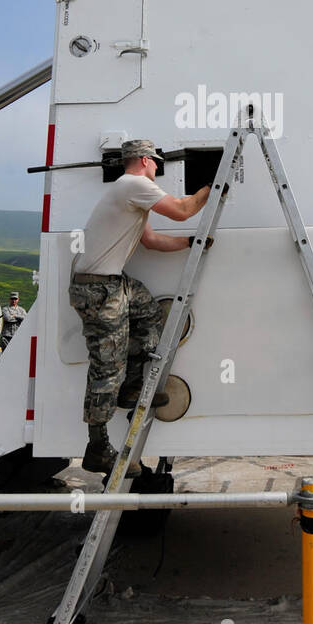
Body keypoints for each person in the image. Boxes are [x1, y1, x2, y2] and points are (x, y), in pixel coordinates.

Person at [70, 139, 211, 475]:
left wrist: (190, 243)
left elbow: (151, 241)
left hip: (111, 283)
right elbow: (182, 210)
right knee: (107, 367)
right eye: (156, 163)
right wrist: (212, 185)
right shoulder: (134, 184)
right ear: (145, 160)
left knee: (149, 314)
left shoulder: (129, 192)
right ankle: (97, 448)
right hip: (97, 289)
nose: (158, 168)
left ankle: (130, 388)